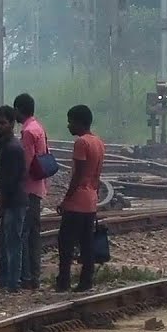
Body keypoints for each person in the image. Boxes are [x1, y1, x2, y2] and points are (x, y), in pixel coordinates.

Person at [56, 105, 106, 292]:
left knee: (66, 243)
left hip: (77, 200)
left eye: (70, 122)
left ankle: (64, 281)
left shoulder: (81, 143)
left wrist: (66, 199)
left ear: (79, 122)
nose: (69, 126)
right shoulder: (99, 142)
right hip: (91, 199)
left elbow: (77, 175)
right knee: (87, 243)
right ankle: (86, 281)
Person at [14, 93, 48, 290]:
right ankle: (35, 275)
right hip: (38, 187)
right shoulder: (39, 127)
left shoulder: (27, 132)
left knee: (25, 235)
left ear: (20, 109)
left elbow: (26, 163)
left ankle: (27, 276)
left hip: (28, 189)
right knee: (34, 233)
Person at [0, 105, 27, 293]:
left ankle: (13, 282)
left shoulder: (12, 148)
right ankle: (7, 279)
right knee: (6, 241)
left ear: (12, 124)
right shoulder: (6, 144)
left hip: (14, 201)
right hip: (12, 201)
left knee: (13, 242)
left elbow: (11, 180)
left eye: (3, 123)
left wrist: (2, 202)